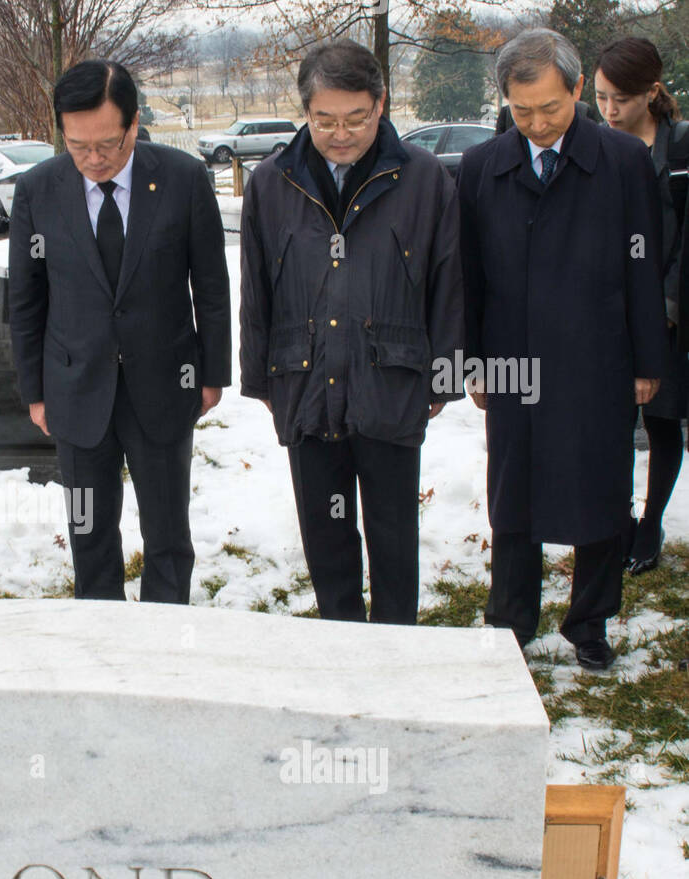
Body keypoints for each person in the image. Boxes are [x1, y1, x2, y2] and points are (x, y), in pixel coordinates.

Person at [460, 28, 665, 670]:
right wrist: (474, 361)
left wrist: (647, 361)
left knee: (601, 489)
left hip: (597, 356)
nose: (539, 124)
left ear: (578, 89)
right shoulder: (482, 167)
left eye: (551, 107)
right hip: (512, 359)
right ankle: (511, 617)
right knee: (512, 490)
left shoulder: (623, 162)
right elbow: (469, 276)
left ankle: (590, 620)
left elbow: (644, 269)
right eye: (523, 111)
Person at [240, 40, 463, 625]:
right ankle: (341, 640)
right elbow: (256, 288)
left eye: (356, 119)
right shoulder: (271, 182)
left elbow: (447, 282)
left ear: (381, 104)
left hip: (392, 378)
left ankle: (395, 642)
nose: (341, 134)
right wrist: (260, 375)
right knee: (326, 529)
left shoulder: (424, 179)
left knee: (392, 531)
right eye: (324, 120)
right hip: (305, 378)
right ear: (305, 111)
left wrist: (444, 376)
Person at [8, 59, 230, 603]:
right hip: (75, 389)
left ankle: (164, 634)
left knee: (168, 535)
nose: (94, 159)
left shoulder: (183, 179)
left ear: (134, 124)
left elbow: (212, 286)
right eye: (78, 146)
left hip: (164, 383)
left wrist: (212, 373)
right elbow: (26, 299)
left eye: (107, 144)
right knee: (89, 533)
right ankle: (103, 637)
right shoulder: (38, 190)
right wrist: (34, 391)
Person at [594, 37, 689, 574]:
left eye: (622, 100)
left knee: (661, 419)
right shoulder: (591, 143)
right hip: (607, 307)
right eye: (603, 97)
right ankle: (618, 519)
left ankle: (651, 523)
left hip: (667, 309)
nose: (610, 111)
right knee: (608, 418)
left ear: (651, 92)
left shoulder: (678, 149)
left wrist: (668, 307)